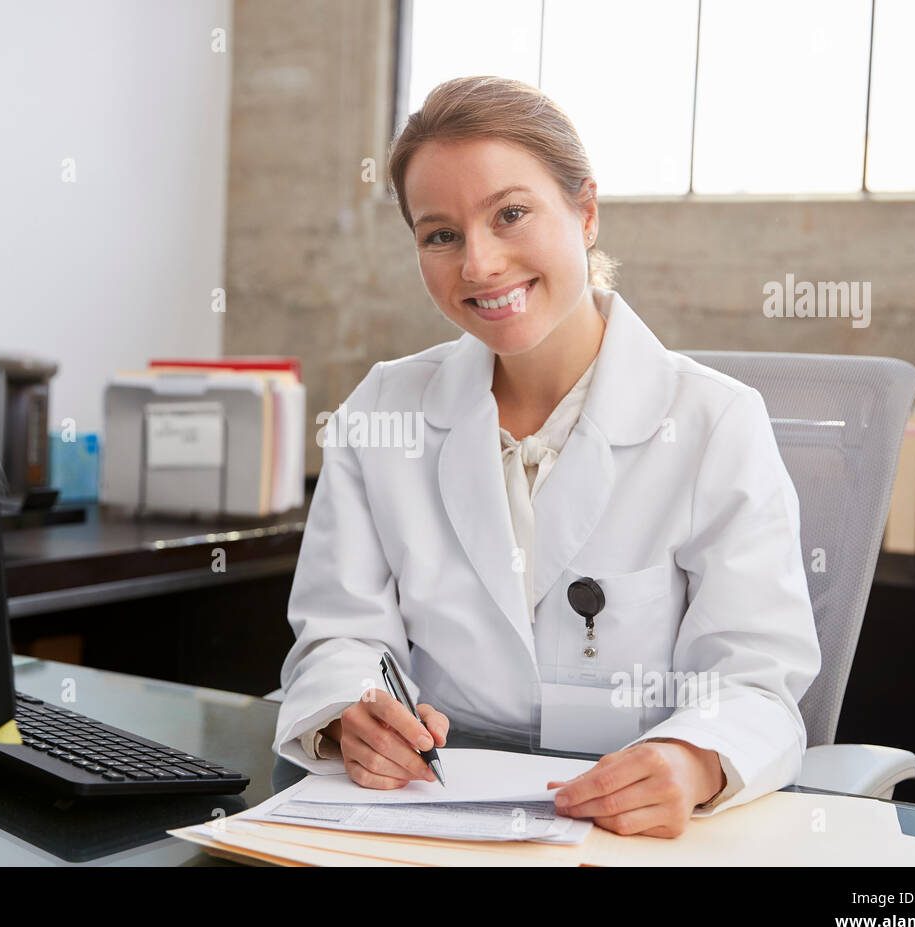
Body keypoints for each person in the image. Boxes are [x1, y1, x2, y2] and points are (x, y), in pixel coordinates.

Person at [272, 76, 821, 838]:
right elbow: (339, 634)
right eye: (441, 235)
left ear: (586, 211)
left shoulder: (712, 421)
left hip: (635, 831)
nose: (480, 264)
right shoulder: (383, 411)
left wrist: (692, 761)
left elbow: (757, 677)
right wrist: (349, 715)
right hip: (432, 813)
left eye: (511, 214)